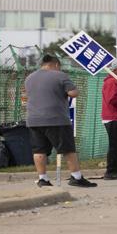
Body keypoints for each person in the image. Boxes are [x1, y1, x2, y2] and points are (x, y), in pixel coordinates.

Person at [24, 53, 95, 188]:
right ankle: (76, 177)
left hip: (34, 120)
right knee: (68, 150)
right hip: (56, 119)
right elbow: (73, 93)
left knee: (39, 150)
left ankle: (43, 179)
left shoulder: (29, 78)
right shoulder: (60, 75)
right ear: (56, 64)